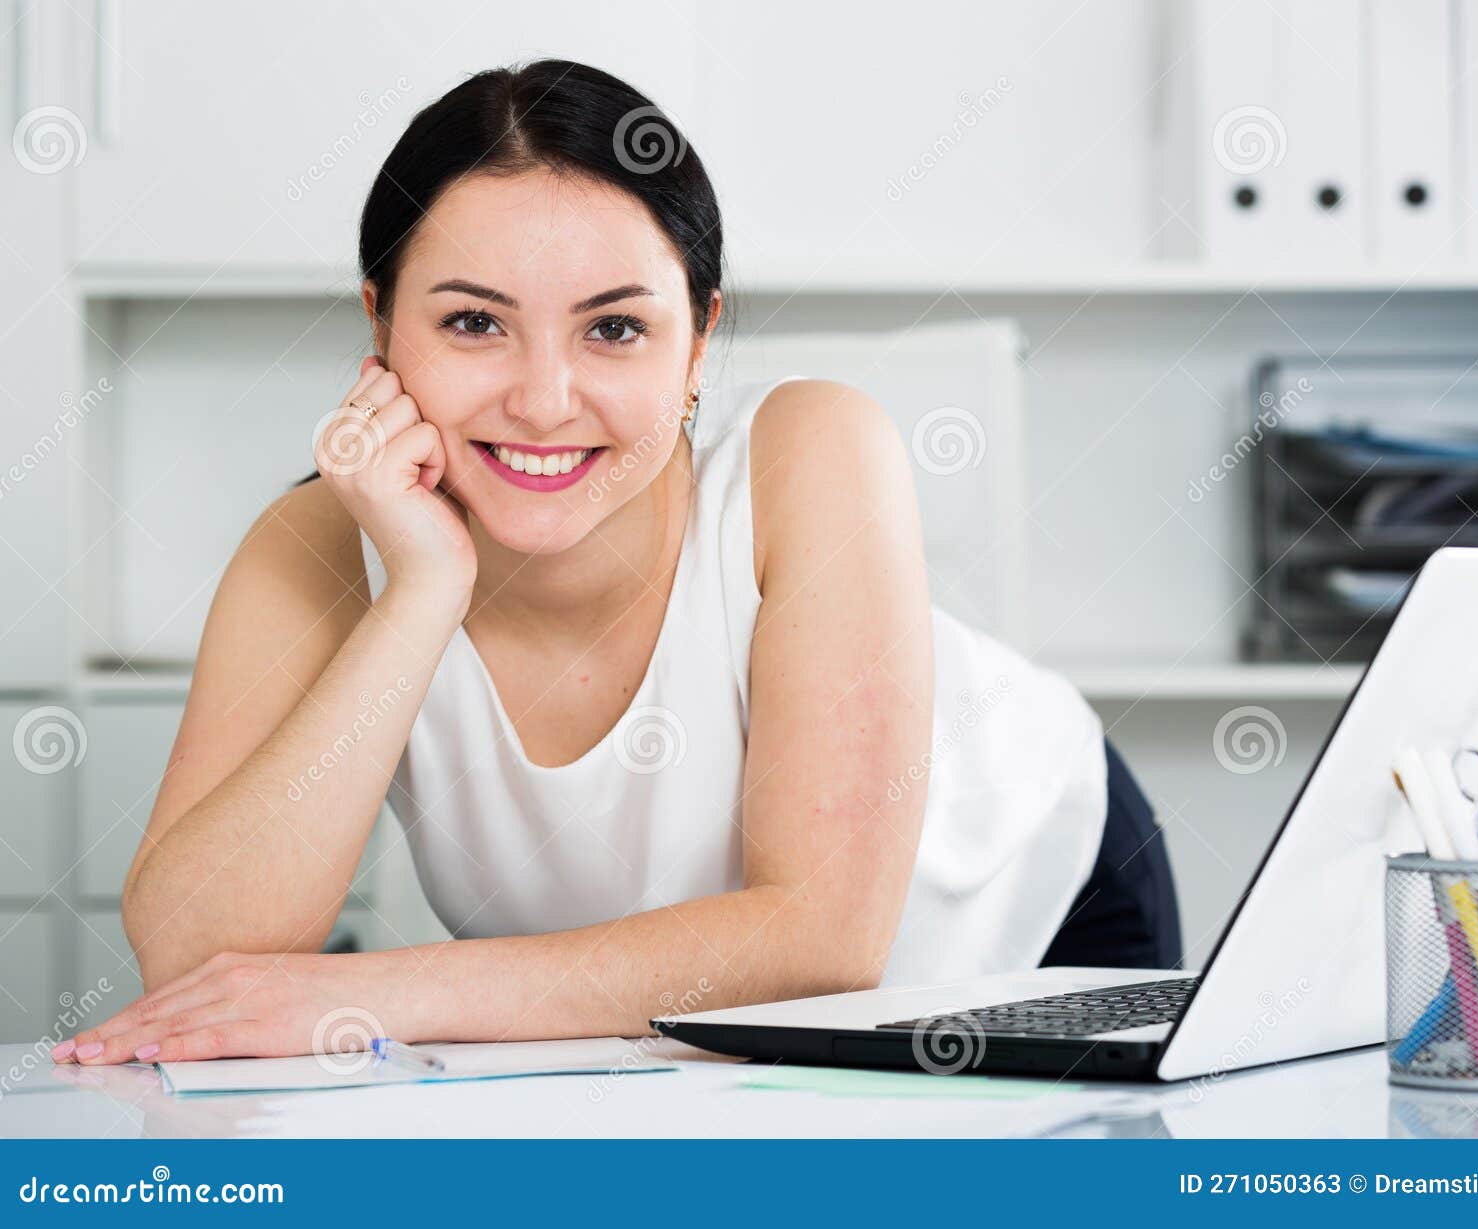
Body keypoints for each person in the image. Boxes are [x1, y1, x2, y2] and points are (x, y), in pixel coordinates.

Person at [56, 60, 1178, 1068]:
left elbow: (818, 941)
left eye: (615, 329)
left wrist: (373, 990)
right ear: (381, 324)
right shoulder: (316, 546)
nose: (544, 401)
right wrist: (424, 594)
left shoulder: (813, 450)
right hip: (674, 1025)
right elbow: (197, 958)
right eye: (472, 324)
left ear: (699, 340)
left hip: (1033, 914)